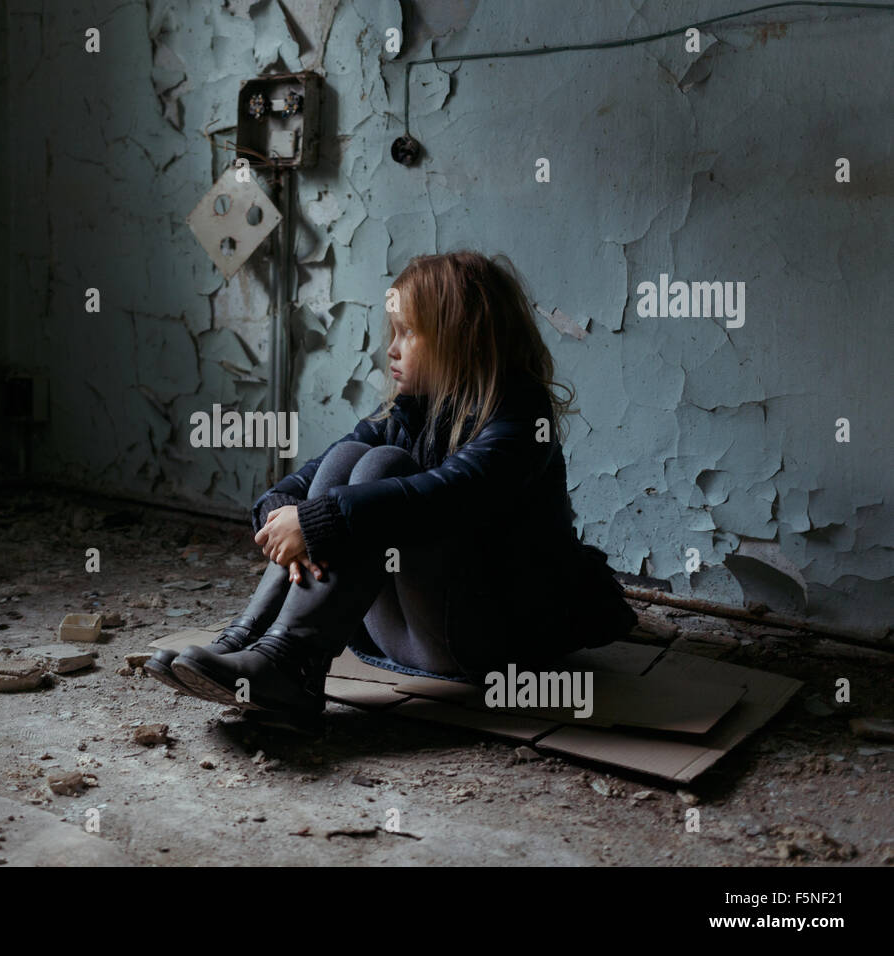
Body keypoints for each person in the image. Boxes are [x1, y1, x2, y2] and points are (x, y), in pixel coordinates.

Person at [146, 250, 637, 734]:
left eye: (408, 333)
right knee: (347, 462)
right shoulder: (411, 409)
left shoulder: (522, 417)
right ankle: (254, 640)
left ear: (462, 340)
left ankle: (287, 661)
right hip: (405, 636)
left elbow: (450, 494)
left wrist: (316, 525)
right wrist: (282, 514)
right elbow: (309, 477)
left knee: (380, 469)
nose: (392, 350)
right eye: (393, 333)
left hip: (487, 639)